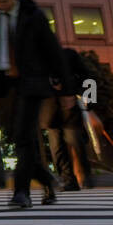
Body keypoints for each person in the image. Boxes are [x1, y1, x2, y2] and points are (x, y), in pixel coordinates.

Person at [0, 0, 73, 208]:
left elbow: (53, 51)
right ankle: (47, 181)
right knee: (19, 139)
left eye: (5, 1)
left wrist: (66, 89)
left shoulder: (33, 16)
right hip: (5, 86)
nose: (2, 6)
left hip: (31, 83)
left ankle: (21, 193)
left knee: (24, 137)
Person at [41, 47, 92, 190]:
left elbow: (86, 76)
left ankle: (82, 176)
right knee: (58, 144)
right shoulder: (39, 57)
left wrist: (88, 101)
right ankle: (69, 178)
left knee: (72, 140)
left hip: (66, 104)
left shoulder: (67, 55)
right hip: (50, 105)